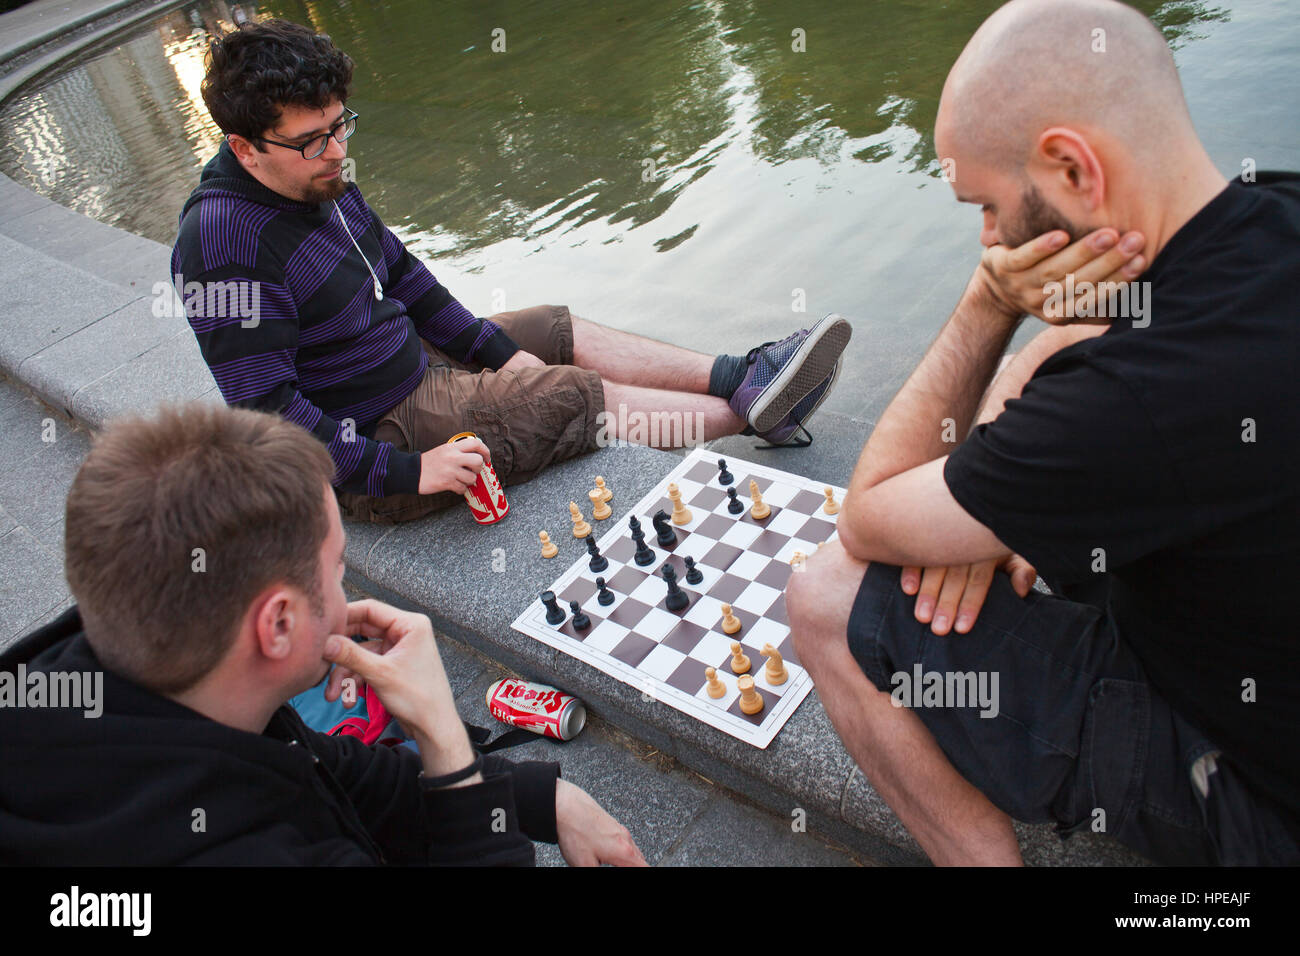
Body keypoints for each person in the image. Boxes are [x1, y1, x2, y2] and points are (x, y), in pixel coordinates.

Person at [786, 0, 1299, 866]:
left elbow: (868, 513)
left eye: (985, 206)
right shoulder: (1269, 211)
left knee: (826, 598)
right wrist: (1008, 476)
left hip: (1257, 805)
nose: (987, 242)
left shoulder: (1129, 402)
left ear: (1070, 167)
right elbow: (1108, 333)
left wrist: (991, 307)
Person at [171, 19, 850, 525]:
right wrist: (410, 471)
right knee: (570, 396)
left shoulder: (316, 177)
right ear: (243, 147)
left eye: (339, 125)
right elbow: (270, 418)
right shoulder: (221, 243)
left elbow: (407, 281)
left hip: (409, 362)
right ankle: (751, 414)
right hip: (378, 439)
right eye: (313, 140)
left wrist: (503, 353)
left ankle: (745, 376)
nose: (336, 150)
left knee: (547, 329)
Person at [0, 404, 644, 866]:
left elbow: (332, 774)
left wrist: (540, 797)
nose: (352, 599)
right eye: (338, 572)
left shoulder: (129, 681)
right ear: (277, 624)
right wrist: (444, 737)